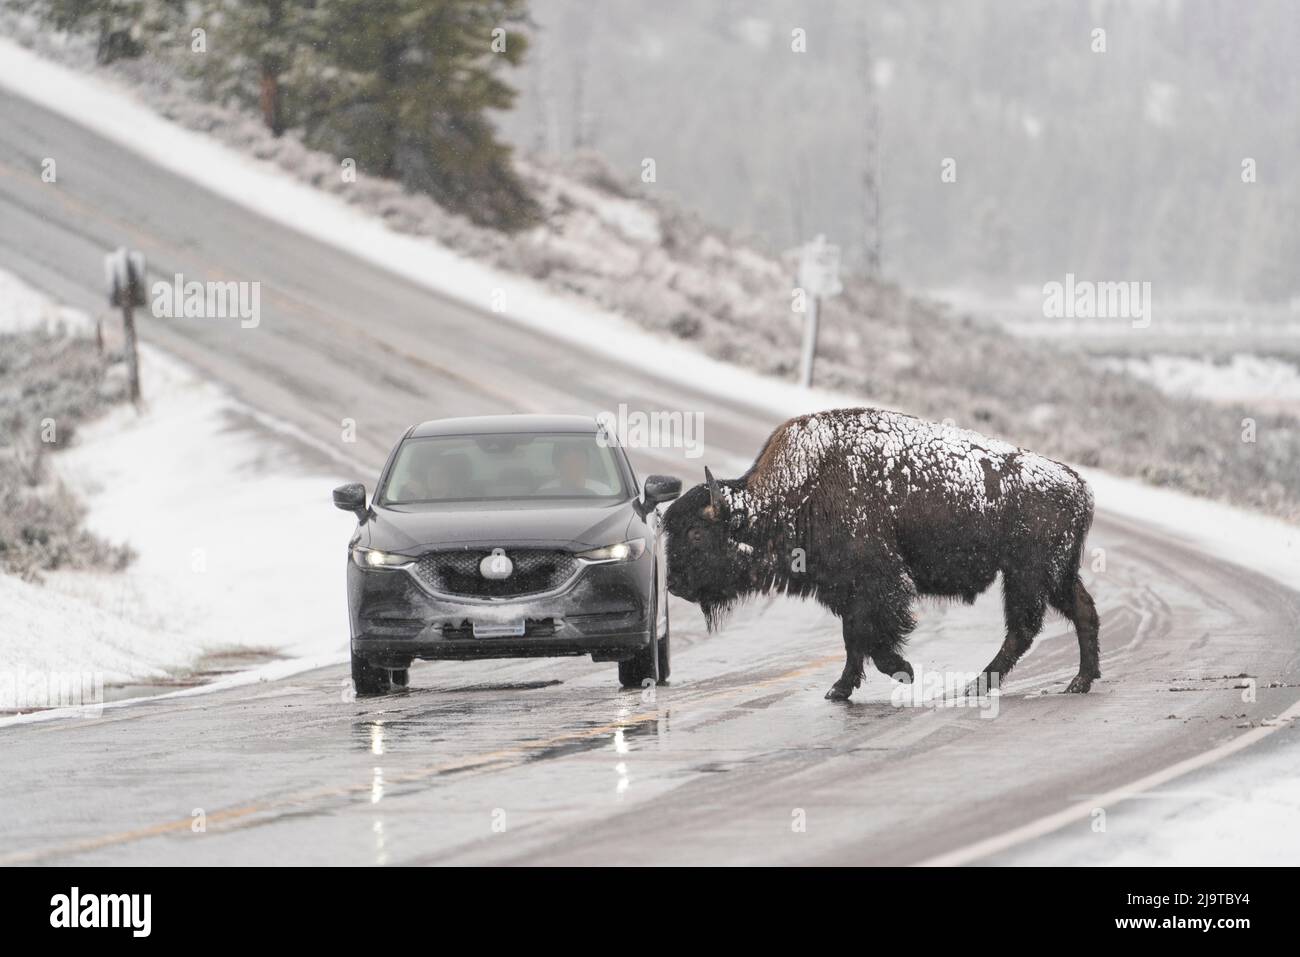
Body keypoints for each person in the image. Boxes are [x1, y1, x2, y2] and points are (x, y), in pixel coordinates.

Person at [537, 443, 612, 495]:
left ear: (586, 463)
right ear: (558, 465)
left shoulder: (603, 493)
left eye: (578, 460)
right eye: (568, 462)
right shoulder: (544, 492)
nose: (574, 467)